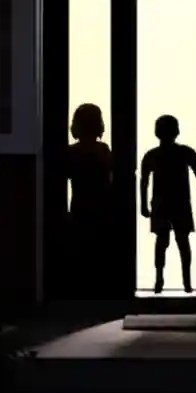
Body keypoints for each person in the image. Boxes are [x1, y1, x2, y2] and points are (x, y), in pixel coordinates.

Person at [140, 114, 196, 294]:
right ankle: (186, 281)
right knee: (183, 242)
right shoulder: (185, 152)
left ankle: (159, 279)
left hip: (161, 204)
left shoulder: (151, 155)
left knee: (161, 242)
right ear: (177, 131)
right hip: (179, 203)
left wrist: (143, 204)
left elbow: (144, 182)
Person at [65, 103, 115, 294]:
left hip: (79, 205)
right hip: (103, 206)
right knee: (100, 251)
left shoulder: (71, 152)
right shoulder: (103, 150)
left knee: (80, 249)